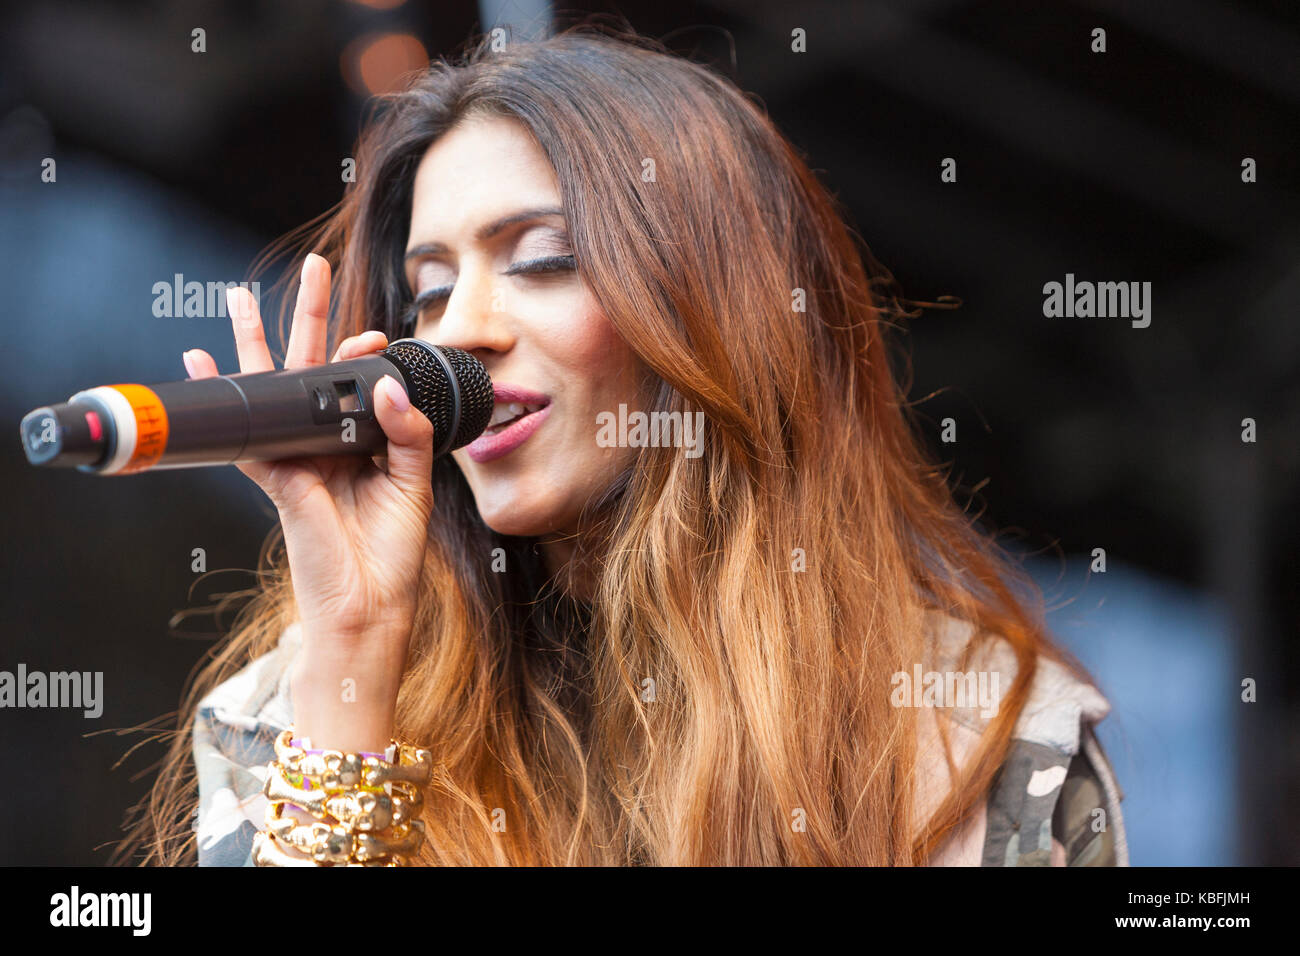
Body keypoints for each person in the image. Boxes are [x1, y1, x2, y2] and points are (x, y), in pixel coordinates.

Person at [116, 25, 1126, 867]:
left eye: (544, 260)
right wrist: (353, 650)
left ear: (714, 312)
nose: (458, 326)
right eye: (428, 289)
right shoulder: (290, 710)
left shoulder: (982, 736)